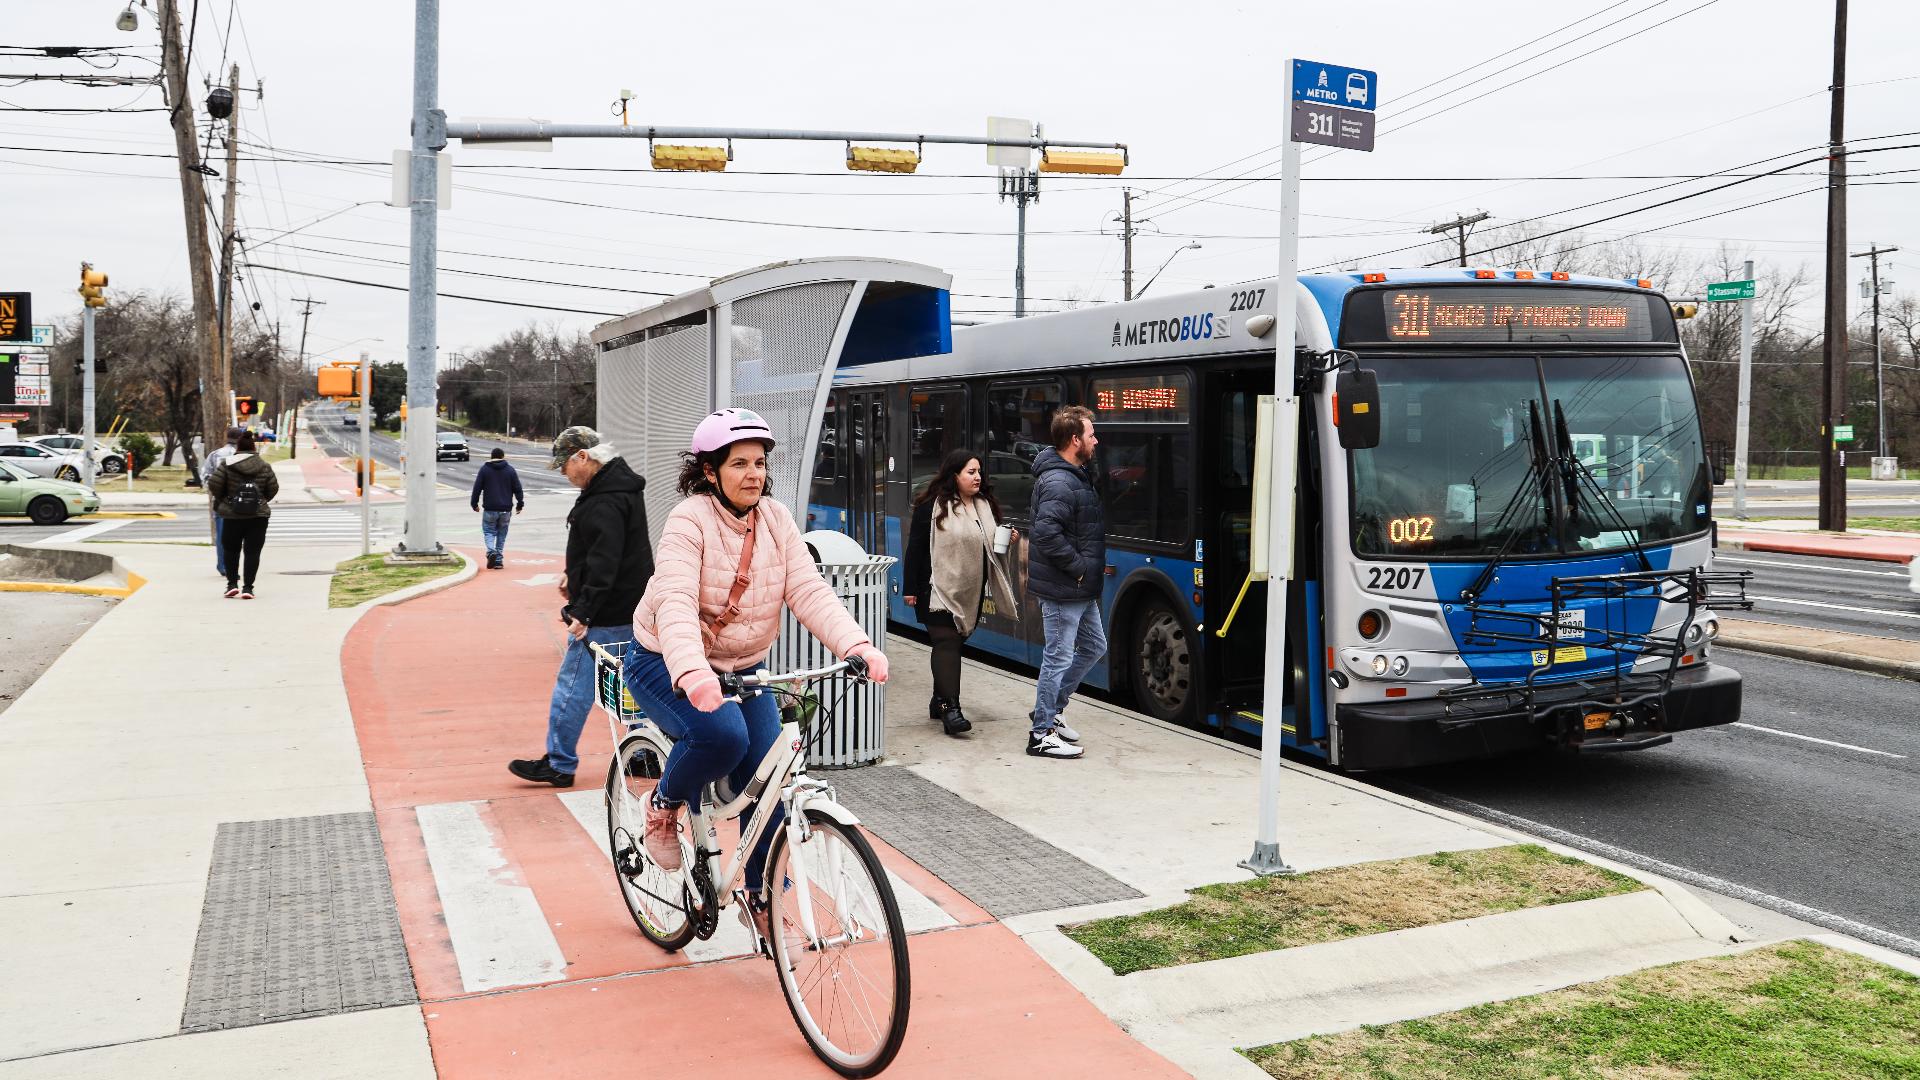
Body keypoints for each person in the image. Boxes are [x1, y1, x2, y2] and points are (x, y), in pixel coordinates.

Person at [622, 408, 889, 938]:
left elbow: (809, 590)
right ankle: (663, 804)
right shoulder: (688, 521)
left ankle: (760, 894)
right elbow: (674, 600)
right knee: (723, 736)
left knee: (768, 774)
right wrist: (692, 672)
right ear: (709, 471)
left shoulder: (776, 519)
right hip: (664, 660)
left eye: (760, 463)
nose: (753, 474)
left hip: (742, 666)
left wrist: (855, 642)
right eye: (738, 463)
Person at [509, 427, 654, 787]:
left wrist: (582, 612)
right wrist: (571, 577)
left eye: (565, 466)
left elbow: (605, 563)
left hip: (606, 612)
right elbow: (604, 553)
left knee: (573, 685)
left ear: (582, 457)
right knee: (635, 683)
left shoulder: (604, 500)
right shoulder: (619, 490)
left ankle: (559, 763)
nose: (564, 473)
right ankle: (645, 755)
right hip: (632, 606)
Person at [904, 449, 1018, 737]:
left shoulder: (983, 506)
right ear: (954, 475)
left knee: (954, 643)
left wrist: (1007, 539)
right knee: (947, 643)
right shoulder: (932, 506)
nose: (977, 477)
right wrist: (909, 589)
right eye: (971, 472)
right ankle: (950, 708)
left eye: (979, 472)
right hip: (935, 587)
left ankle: (937, 697)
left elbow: (989, 546)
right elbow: (915, 547)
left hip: (969, 591)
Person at [1025, 405, 1104, 760]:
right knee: (1057, 657)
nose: (1095, 440)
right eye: (1090, 435)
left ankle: (1053, 711)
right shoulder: (1059, 481)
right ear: (1075, 440)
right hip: (1064, 587)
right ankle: (1040, 733)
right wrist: (1079, 568)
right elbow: (1045, 534)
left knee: (1094, 646)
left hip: (1077, 588)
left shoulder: (1074, 474)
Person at [208, 431, 279, 600]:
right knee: (252, 552)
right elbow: (273, 488)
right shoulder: (264, 465)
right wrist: (260, 501)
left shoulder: (227, 464)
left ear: (237, 447)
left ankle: (232, 585)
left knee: (231, 550)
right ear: (253, 447)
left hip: (232, 515)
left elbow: (214, 484)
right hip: (258, 516)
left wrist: (225, 500)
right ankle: (248, 588)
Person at [470, 446, 525, 569]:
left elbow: (477, 488)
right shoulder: (510, 470)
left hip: (490, 508)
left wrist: (474, 504)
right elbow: (518, 489)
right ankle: (498, 560)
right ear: (503, 457)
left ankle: (491, 551)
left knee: (489, 531)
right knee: (502, 534)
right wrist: (520, 504)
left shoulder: (484, 470)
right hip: (506, 509)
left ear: (491, 457)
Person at [201, 426, 244, 577]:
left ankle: (223, 566)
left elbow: (205, 476)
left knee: (222, 535)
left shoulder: (215, 455)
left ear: (227, 438)